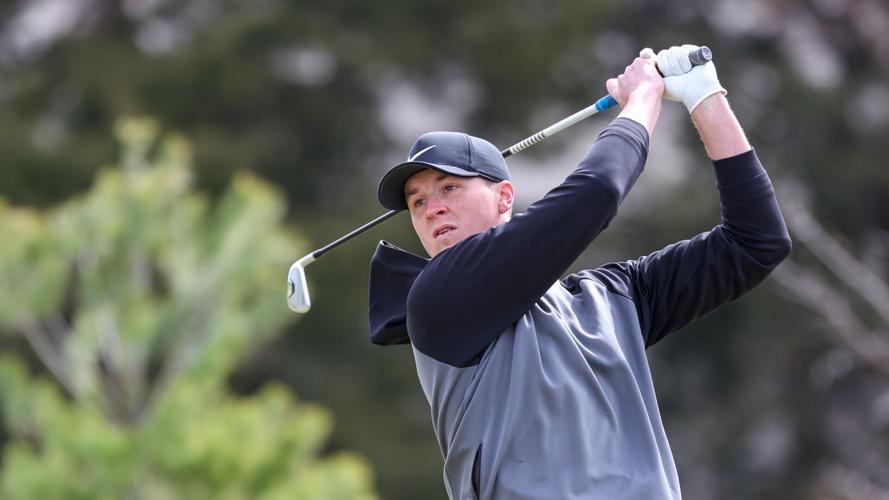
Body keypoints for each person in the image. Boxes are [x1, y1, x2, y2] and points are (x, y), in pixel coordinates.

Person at [367, 45, 791, 499]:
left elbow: (756, 243)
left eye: (449, 187)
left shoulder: (610, 298)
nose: (432, 209)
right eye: (417, 202)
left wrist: (704, 97)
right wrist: (643, 100)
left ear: (505, 198)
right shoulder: (437, 300)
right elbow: (596, 192)